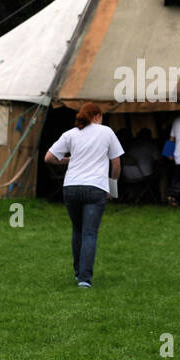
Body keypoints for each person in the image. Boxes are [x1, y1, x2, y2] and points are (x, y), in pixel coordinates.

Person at [44, 102, 123, 288]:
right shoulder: (106, 132)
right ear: (97, 116)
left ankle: (78, 272)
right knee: (89, 233)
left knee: (77, 230)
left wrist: (67, 160)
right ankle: (84, 279)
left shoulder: (70, 134)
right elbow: (117, 163)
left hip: (71, 187)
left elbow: (49, 157)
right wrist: (113, 188)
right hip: (96, 187)